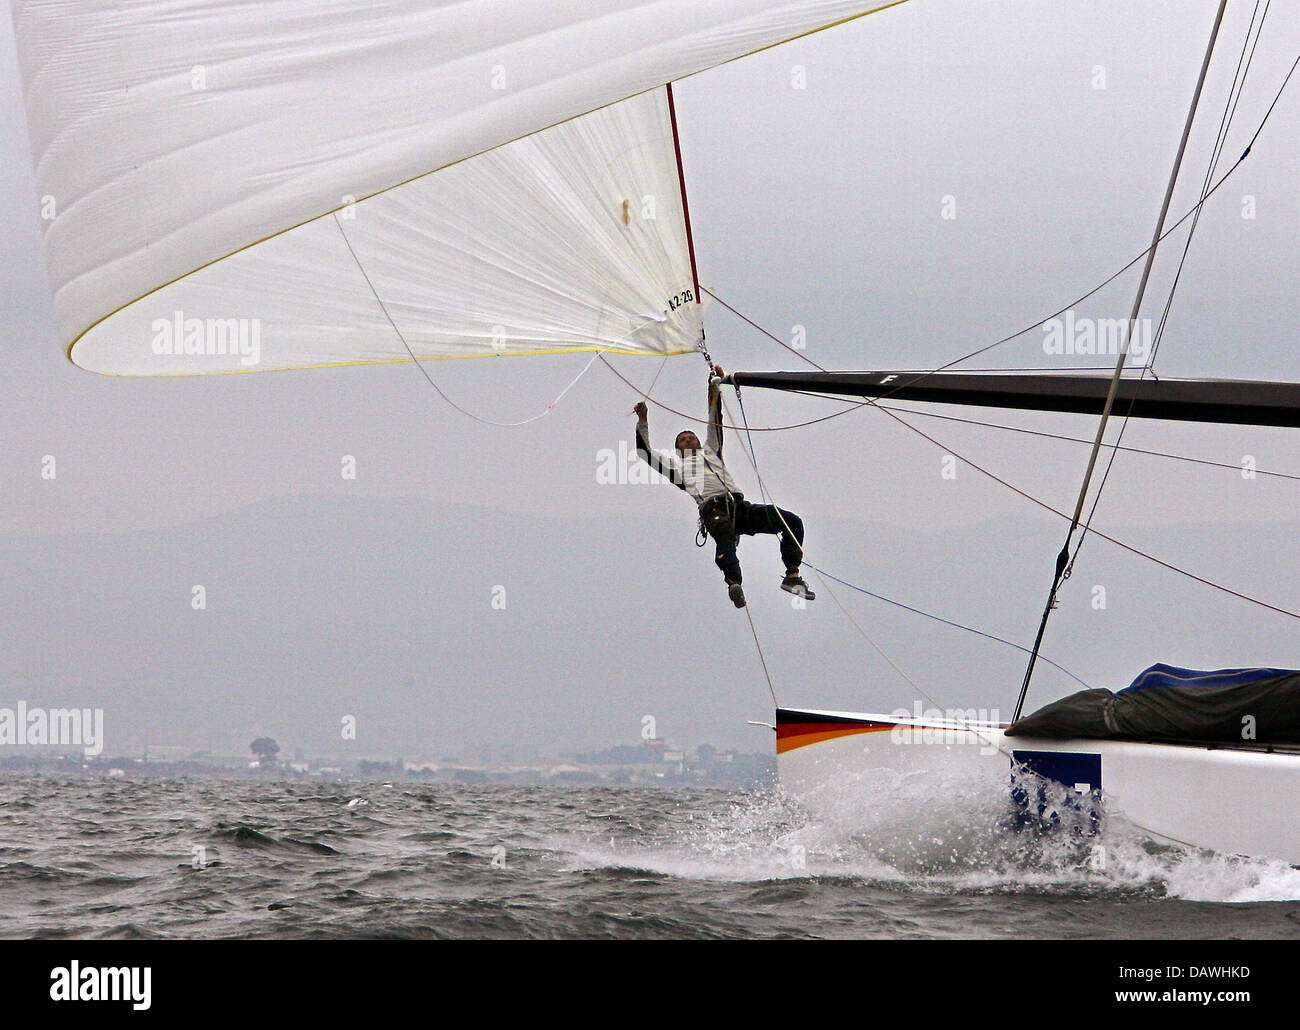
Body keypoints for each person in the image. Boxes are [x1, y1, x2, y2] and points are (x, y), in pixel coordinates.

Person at [633, 365, 814, 609]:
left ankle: (792, 575)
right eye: (683, 440)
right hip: (713, 510)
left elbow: (714, 419)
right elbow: (645, 453)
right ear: (678, 449)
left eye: (691, 437)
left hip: (739, 507)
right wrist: (643, 421)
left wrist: (714, 383)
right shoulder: (677, 469)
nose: (688, 440)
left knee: (792, 521)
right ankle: (734, 582)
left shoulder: (712, 451)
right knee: (725, 535)